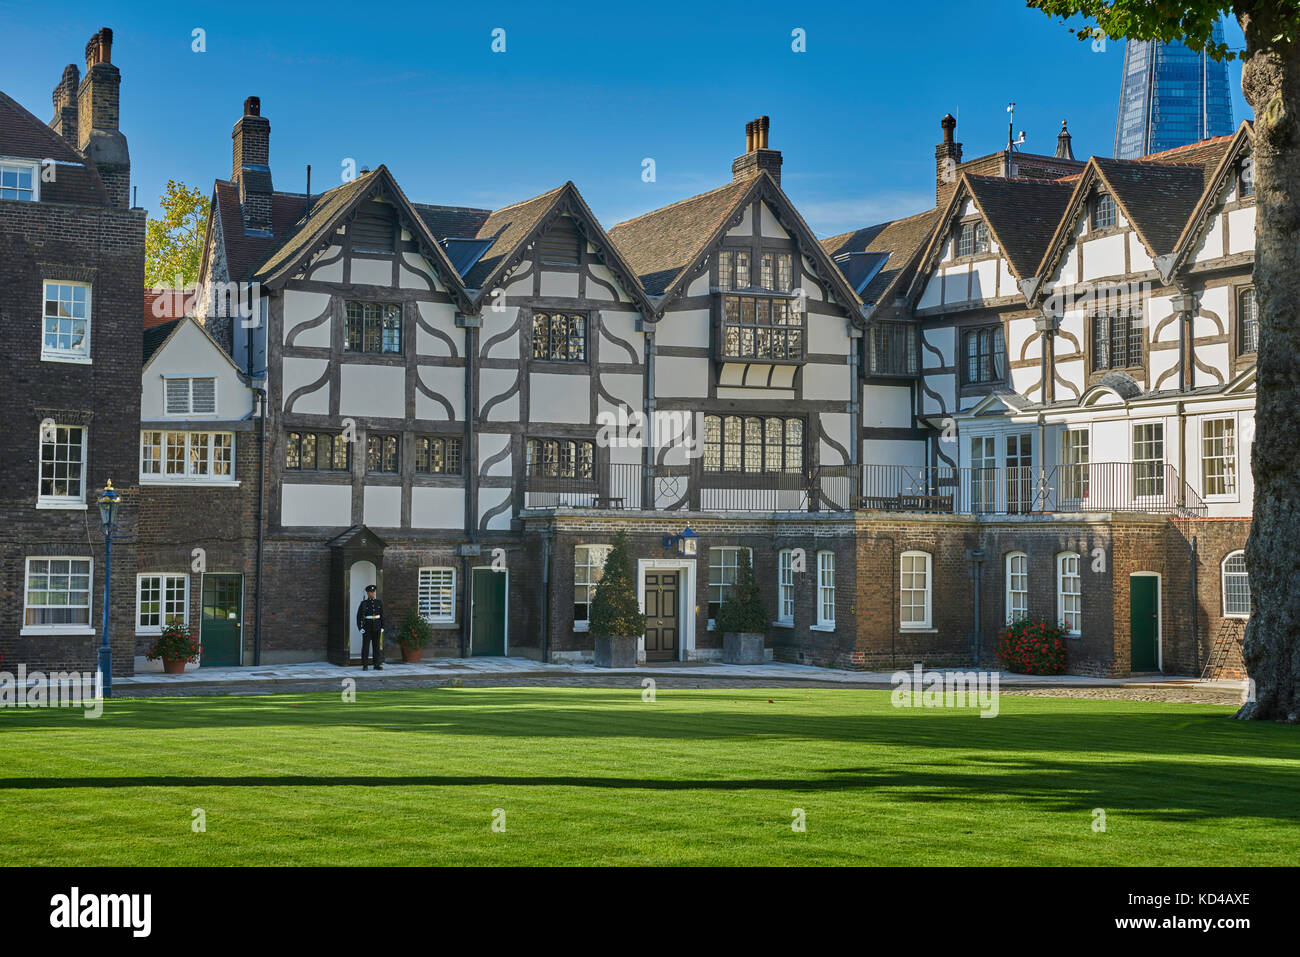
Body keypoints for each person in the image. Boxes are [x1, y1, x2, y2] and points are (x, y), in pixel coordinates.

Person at [355, 584, 385, 670]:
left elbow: (382, 615)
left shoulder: (379, 602)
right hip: (367, 627)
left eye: (373, 592)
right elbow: (359, 616)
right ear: (367, 593)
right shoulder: (364, 603)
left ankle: (376, 664)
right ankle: (365, 665)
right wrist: (360, 628)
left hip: (377, 627)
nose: (373, 593)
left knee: (376, 646)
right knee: (366, 647)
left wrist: (382, 626)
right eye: (371, 592)